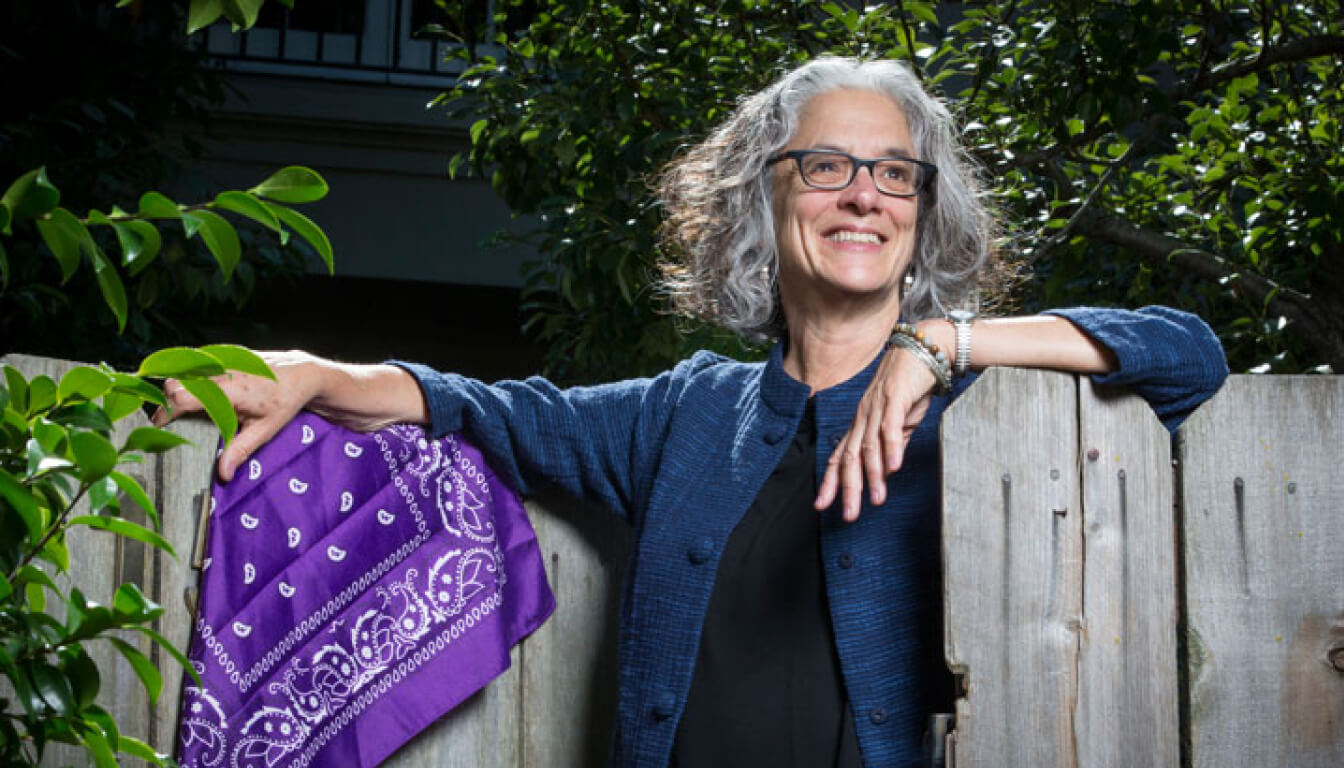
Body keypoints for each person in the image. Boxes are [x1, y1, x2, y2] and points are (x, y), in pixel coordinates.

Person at [158, 57, 1228, 767]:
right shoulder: (684, 413)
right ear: (764, 195)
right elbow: (487, 410)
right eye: (828, 165)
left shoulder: (990, 403)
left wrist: (938, 344)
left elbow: (1189, 357)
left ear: (924, 209)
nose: (865, 194)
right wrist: (312, 368)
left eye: (896, 173)